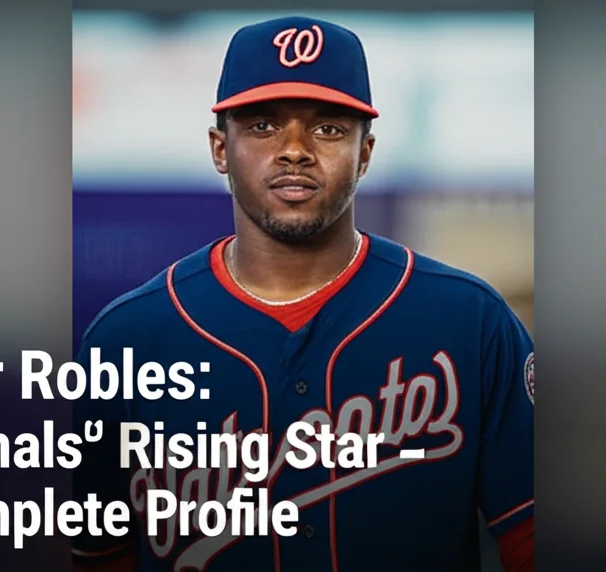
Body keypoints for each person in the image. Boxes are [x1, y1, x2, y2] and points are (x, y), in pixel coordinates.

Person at [72, 15, 534, 572]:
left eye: (329, 129)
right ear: (220, 149)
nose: (295, 150)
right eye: (264, 125)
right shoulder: (125, 341)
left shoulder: (470, 321)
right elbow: (99, 558)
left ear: (365, 153)